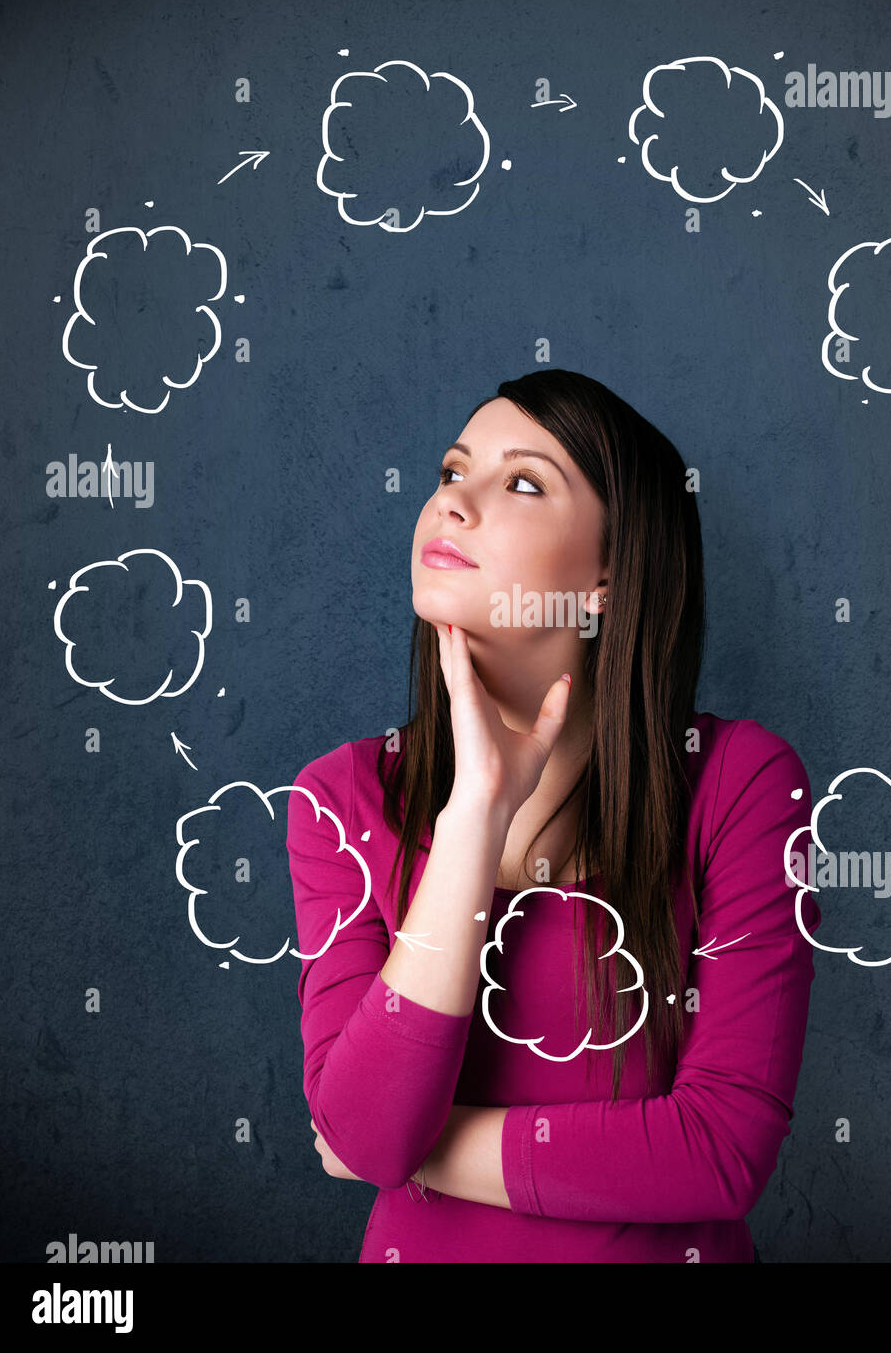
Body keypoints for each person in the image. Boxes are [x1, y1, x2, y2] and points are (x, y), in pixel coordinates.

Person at [288, 368, 820, 1262]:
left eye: (522, 483)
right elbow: (364, 1132)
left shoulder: (743, 785)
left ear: (608, 576)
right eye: (453, 471)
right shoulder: (338, 799)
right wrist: (473, 820)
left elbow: (721, 1152)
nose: (453, 504)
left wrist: (414, 1148)